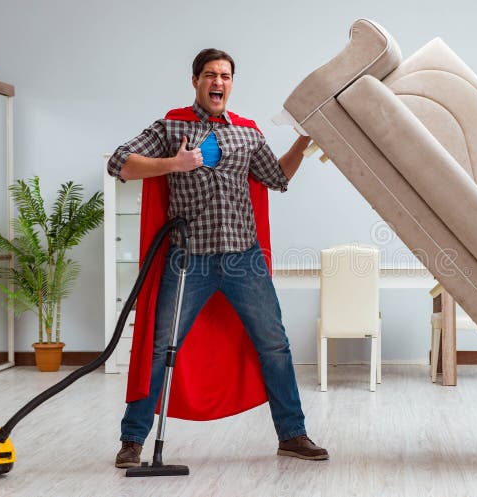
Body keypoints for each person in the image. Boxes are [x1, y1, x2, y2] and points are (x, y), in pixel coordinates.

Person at [106, 48, 327, 467]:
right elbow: (120, 163)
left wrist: (303, 140)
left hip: (244, 261)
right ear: (195, 81)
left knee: (275, 345)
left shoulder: (246, 133)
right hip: (188, 260)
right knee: (159, 348)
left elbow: (276, 178)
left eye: (225, 76)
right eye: (210, 74)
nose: (218, 82)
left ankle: (292, 435)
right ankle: (132, 440)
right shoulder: (171, 126)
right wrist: (175, 163)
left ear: (231, 83)